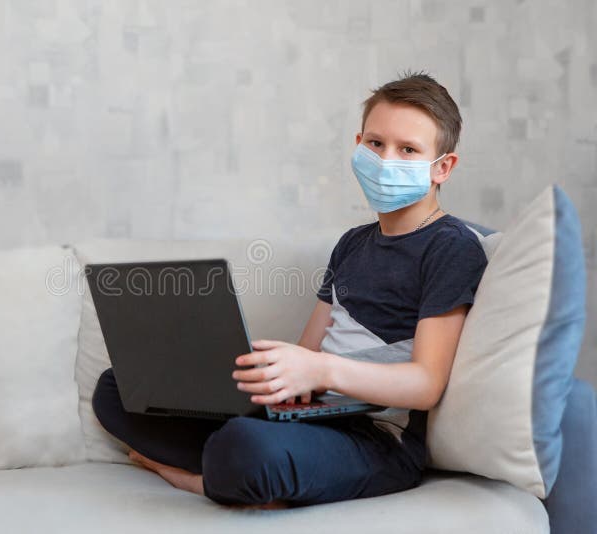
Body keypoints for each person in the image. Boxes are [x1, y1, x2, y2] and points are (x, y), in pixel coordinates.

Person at [91, 71, 488, 509]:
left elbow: (427, 384)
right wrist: (273, 373)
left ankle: (196, 478)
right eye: (375, 144)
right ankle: (236, 466)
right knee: (120, 389)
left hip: (378, 435)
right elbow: (308, 355)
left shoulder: (451, 247)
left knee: (246, 447)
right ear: (358, 144)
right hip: (312, 414)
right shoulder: (353, 243)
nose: (386, 159)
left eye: (408, 149)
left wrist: (321, 371)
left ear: (443, 168)